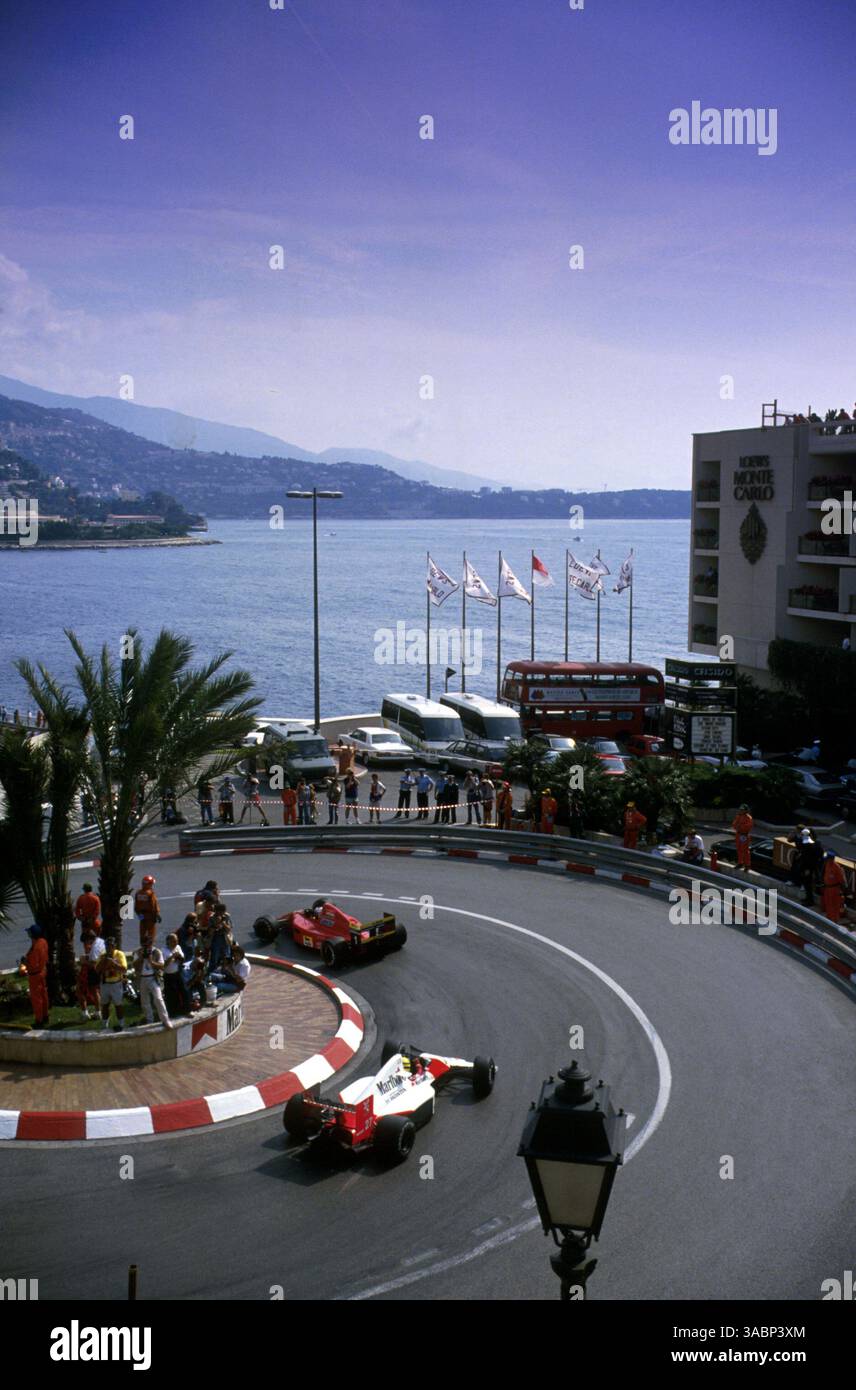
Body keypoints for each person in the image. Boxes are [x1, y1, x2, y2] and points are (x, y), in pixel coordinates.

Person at [134, 942, 173, 1029]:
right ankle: (149, 1020)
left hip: (153, 978)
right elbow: (134, 965)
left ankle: (165, 1019)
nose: (146, 947)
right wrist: (141, 958)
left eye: (148, 945)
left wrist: (151, 961)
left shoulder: (156, 952)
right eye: (144, 945)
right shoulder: (138, 952)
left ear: (151, 944)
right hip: (142, 978)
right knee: (145, 1002)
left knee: (158, 998)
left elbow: (162, 965)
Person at [95, 937, 128, 1030]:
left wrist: (113, 962)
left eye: (111, 946)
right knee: (105, 1005)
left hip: (116, 984)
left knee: (118, 1005)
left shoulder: (119, 954)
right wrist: (104, 961)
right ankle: (104, 1025)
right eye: (107, 946)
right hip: (105, 983)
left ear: (114, 946)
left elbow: (124, 969)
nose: (109, 948)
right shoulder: (102, 956)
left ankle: (122, 1024)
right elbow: (97, 970)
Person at [22, 925, 50, 1028]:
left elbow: (33, 965)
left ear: (32, 935)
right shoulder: (43, 942)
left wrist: (25, 962)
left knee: (36, 998)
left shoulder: (35, 948)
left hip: (35, 975)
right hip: (42, 971)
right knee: (44, 994)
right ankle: (45, 1015)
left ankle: (39, 1020)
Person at [76, 929, 103, 1019]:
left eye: (85, 942)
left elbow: (93, 964)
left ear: (89, 939)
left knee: (80, 990)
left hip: (91, 971)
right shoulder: (100, 941)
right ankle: (98, 1012)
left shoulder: (94, 947)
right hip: (99, 970)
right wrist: (86, 957)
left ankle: (85, 1013)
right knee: (95, 991)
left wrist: (83, 961)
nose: (85, 944)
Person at [162, 933, 190, 1016]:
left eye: (176, 941)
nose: (175, 943)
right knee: (171, 995)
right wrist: (172, 957)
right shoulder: (163, 951)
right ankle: (173, 1012)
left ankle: (187, 1010)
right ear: (168, 941)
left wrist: (179, 958)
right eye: (173, 941)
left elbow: (182, 959)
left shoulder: (178, 947)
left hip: (177, 973)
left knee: (184, 991)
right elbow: (163, 965)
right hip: (168, 975)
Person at [134, 874, 161, 947]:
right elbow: (154, 905)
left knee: (142, 934)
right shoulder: (150, 893)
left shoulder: (138, 893)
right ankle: (150, 948)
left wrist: (140, 916)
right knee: (151, 934)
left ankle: (143, 946)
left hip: (142, 916)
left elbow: (136, 907)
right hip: (150, 917)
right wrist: (157, 915)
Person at [821, 851, 847, 924]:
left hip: (834, 890)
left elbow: (841, 880)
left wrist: (842, 891)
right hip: (827, 889)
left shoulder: (836, 867)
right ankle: (829, 920)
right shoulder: (827, 865)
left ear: (831, 859)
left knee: (834, 906)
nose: (826, 860)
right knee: (828, 904)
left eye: (827, 859)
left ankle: (834, 922)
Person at [731, 804, 753, 872]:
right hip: (738, 835)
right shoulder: (738, 816)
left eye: (742, 810)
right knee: (739, 850)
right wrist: (739, 826)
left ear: (746, 810)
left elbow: (747, 827)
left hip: (744, 836)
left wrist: (739, 826)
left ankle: (747, 865)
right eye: (740, 809)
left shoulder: (748, 818)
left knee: (745, 851)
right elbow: (734, 825)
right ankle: (740, 863)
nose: (741, 810)